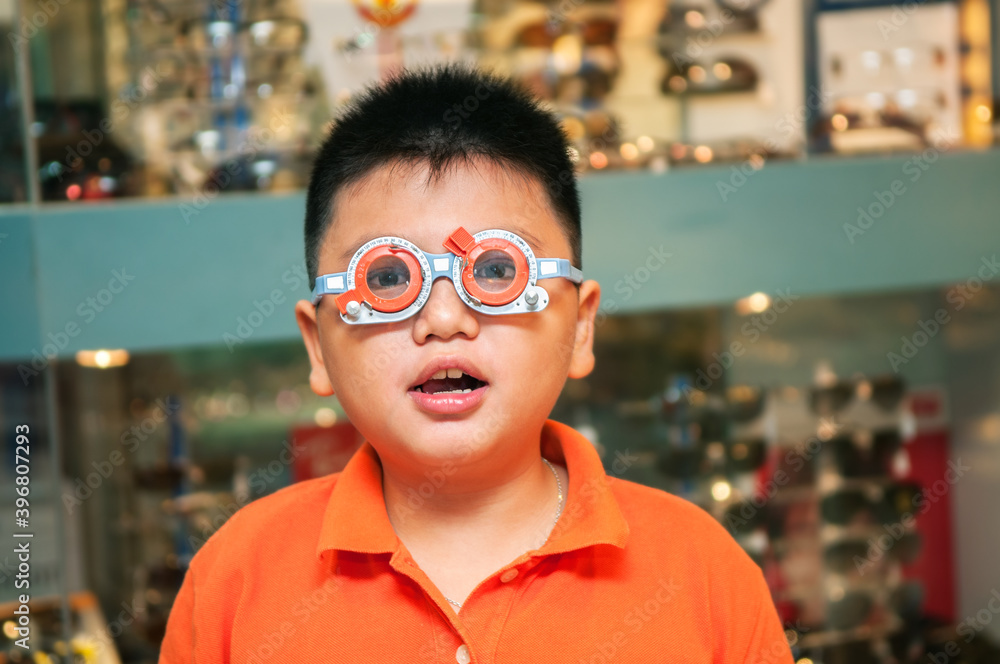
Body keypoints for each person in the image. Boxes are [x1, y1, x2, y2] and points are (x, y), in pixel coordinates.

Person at [159, 65, 793, 664]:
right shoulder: (236, 581)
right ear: (317, 345)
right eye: (387, 278)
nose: (443, 319)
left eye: (494, 272)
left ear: (579, 326)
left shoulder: (703, 572)